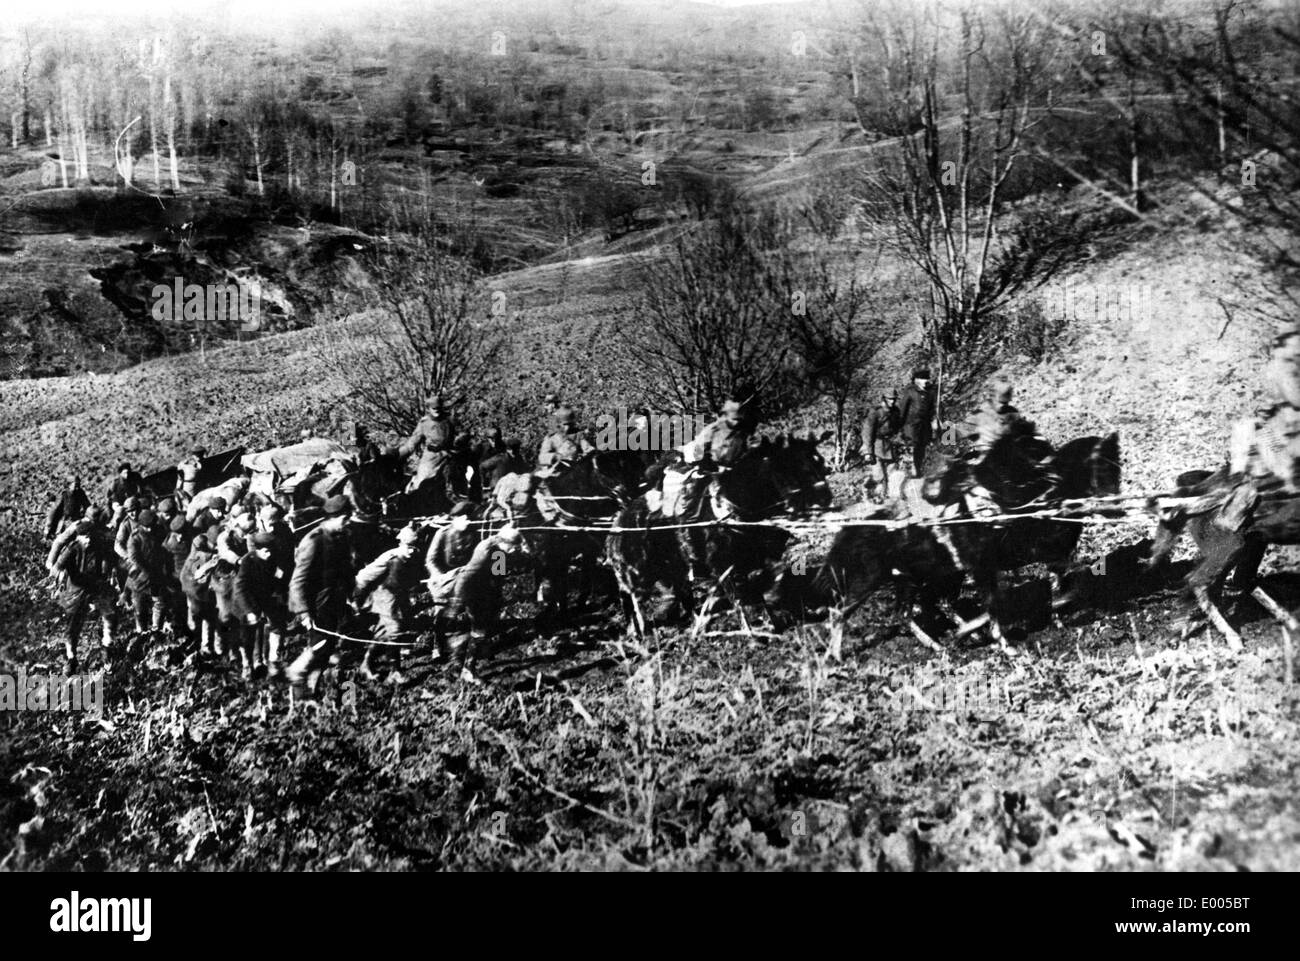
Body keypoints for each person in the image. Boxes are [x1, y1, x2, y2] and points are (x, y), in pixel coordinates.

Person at [285, 495, 356, 696]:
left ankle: (311, 688)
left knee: (327, 646)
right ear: (332, 518)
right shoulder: (314, 541)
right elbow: (297, 581)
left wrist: (351, 593)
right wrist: (304, 612)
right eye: (345, 518)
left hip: (334, 599)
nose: (348, 522)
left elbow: (345, 568)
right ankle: (296, 675)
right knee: (320, 644)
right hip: (316, 603)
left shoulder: (341, 536)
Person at [443, 525, 523, 682]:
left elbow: (498, 576)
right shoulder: (486, 552)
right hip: (471, 594)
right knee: (478, 630)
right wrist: (455, 604)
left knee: (481, 629)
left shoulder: (498, 549)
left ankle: (464, 660)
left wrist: (496, 598)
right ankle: (466, 668)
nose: (514, 550)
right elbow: (466, 578)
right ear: (504, 541)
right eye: (513, 546)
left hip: (485, 594)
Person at [352, 525, 425, 682]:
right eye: (408, 546)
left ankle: (366, 664)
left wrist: (413, 592)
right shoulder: (390, 558)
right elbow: (363, 577)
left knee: (384, 634)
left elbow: (413, 578)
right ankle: (395, 671)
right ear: (400, 544)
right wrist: (355, 600)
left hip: (399, 596)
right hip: (383, 596)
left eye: (414, 546)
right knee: (395, 629)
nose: (411, 550)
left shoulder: (415, 556)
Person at [54, 521, 118, 674]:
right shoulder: (72, 549)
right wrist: (64, 575)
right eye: (84, 537)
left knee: (110, 614)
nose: (87, 540)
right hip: (78, 588)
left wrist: (110, 573)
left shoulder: (98, 545)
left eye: (89, 536)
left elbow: (110, 559)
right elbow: (57, 567)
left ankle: (107, 647)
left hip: (96, 585)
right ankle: (71, 658)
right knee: (73, 624)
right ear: (78, 538)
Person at [233, 531, 291, 679]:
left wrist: (282, 600)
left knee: (277, 626)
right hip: (247, 600)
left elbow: (282, 579)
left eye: (271, 550)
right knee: (247, 635)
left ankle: (273, 661)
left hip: (267, 598)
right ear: (257, 550)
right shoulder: (248, 561)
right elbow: (240, 588)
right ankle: (247, 665)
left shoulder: (275, 557)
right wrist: (249, 611)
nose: (269, 554)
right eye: (266, 551)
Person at [125, 509, 170, 656]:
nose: (149, 529)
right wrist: (146, 572)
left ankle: (156, 629)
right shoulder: (135, 538)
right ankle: (142, 632)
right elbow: (134, 559)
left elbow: (163, 547)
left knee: (160, 602)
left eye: (151, 525)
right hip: (139, 578)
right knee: (140, 607)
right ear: (141, 525)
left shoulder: (158, 530)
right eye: (146, 526)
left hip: (157, 574)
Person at [862, 391, 902, 503]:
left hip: (890, 446)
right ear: (884, 398)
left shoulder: (895, 411)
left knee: (893, 474)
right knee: (878, 476)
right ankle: (875, 499)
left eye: (894, 399)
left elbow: (898, 427)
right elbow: (867, 432)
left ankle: (892, 500)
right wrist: (868, 452)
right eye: (890, 399)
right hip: (876, 446)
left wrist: (898, 440)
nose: (892, 401)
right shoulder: (875, 412)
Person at [898, 368, 938, 477]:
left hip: (924, 425)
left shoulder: (931, 392)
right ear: (916, 380)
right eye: (923, 379)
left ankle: (918, 470)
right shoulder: (910, 391)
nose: (926, 381)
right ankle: (909, 471)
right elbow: (902, 409)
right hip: (911, 425)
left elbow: (933, 408)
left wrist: (934, 419)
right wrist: (899, 425)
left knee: (921, 447)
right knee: (911, 446)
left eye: (927, 379)